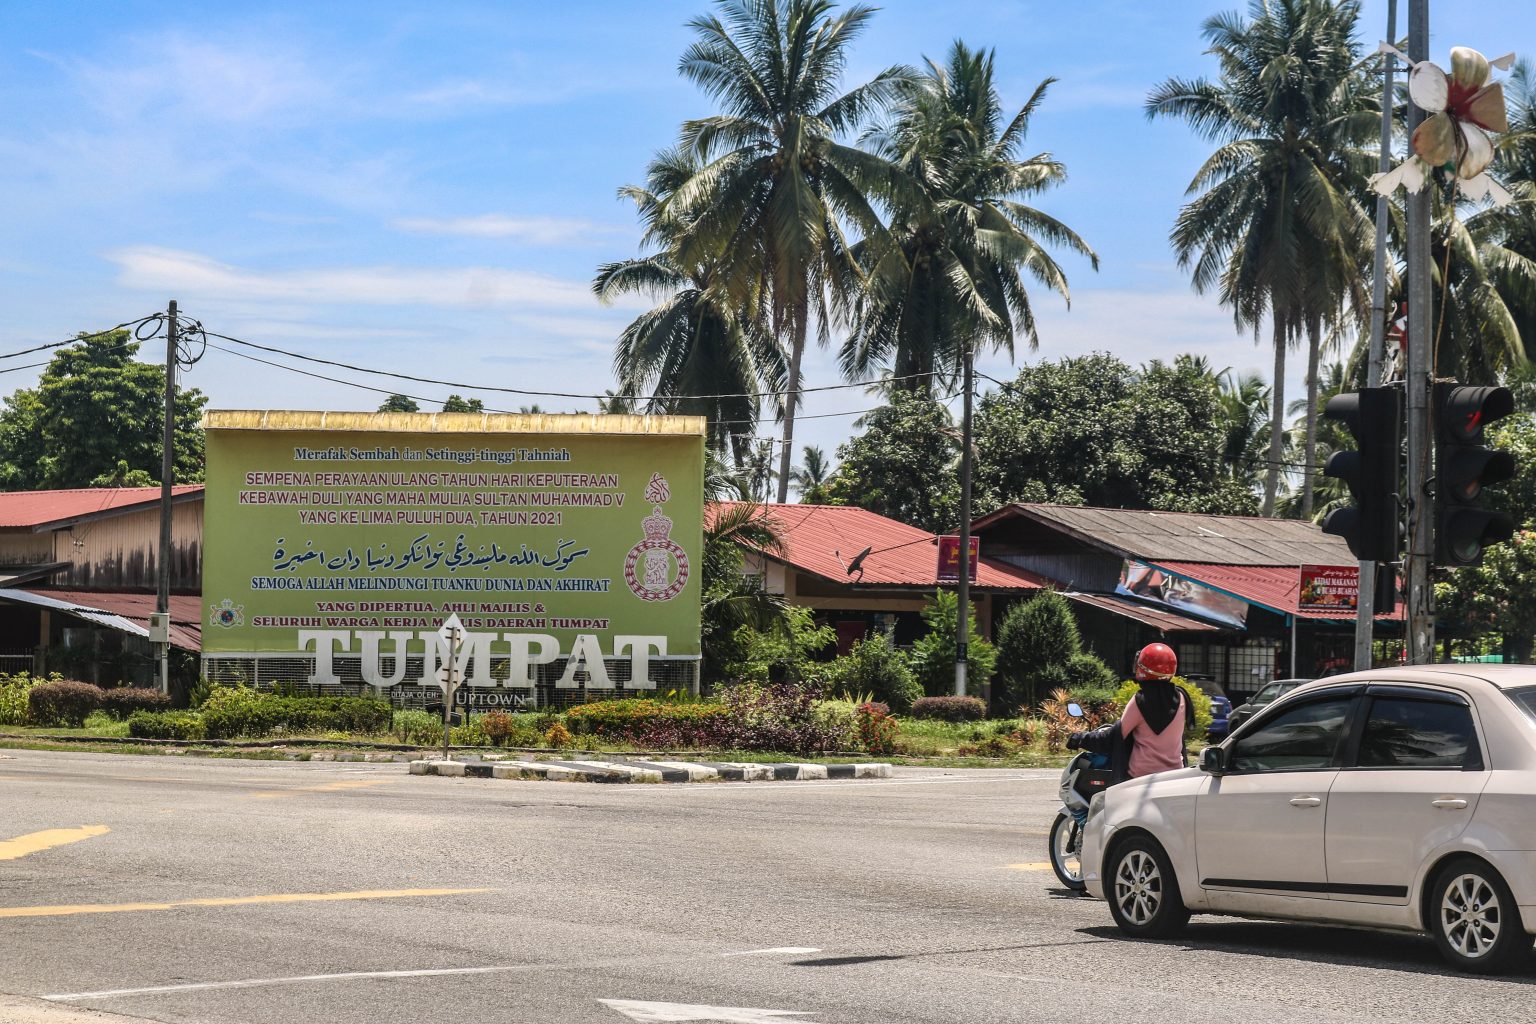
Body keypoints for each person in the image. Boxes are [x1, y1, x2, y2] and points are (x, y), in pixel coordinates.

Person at [1066, 642, 1194, 782]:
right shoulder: (1182, 697)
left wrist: (1079, 739)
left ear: (1142, 668)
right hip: (1175, 777)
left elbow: (1113, 737)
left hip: (1140, 780)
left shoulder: (1140, 700)